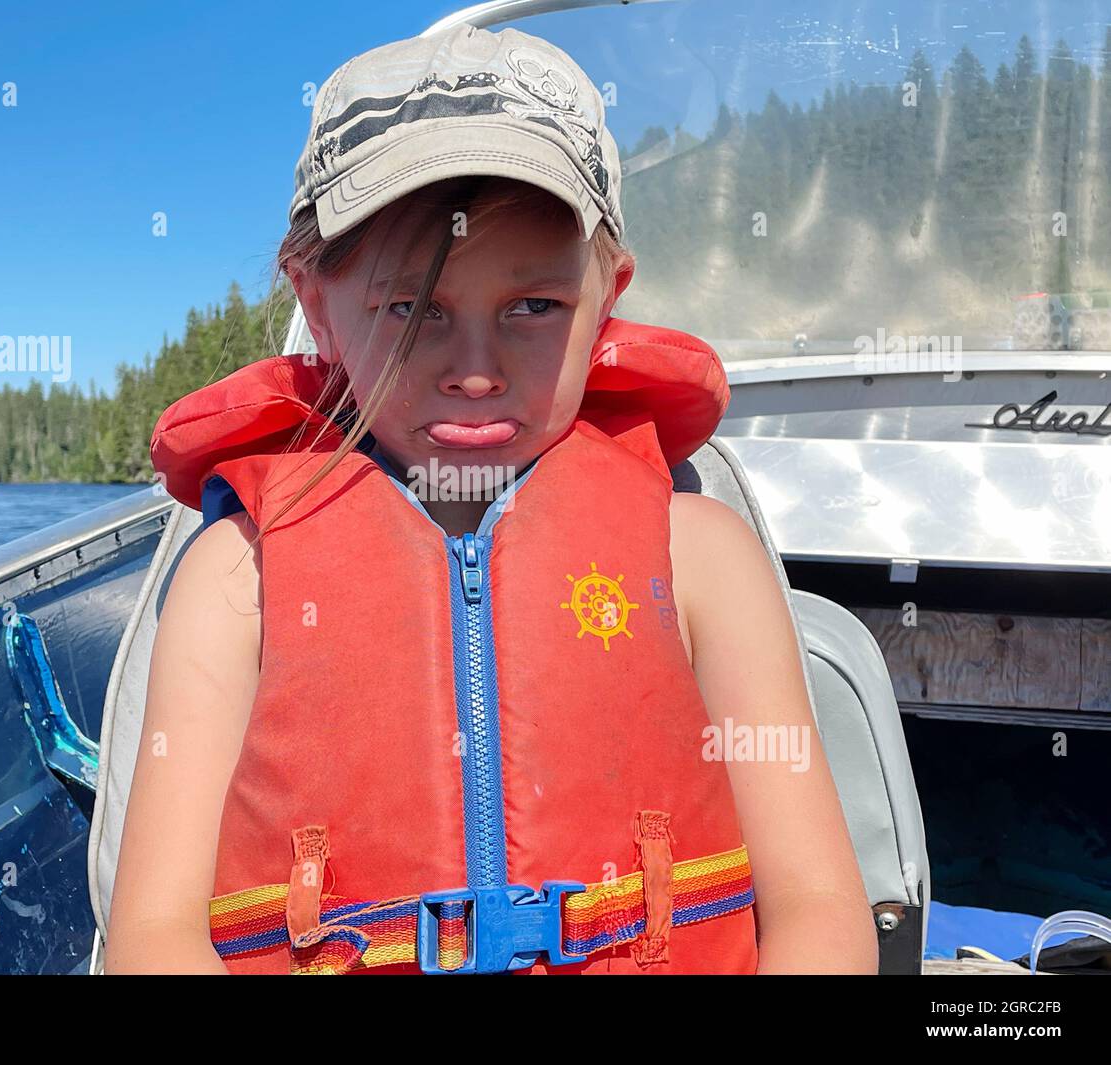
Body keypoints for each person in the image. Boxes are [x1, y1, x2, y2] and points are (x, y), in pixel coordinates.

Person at [104, 21, 876, 975]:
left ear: (608, 291)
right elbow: (153, 935)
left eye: (533, 307)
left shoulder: (702, 558)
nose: (474, 370)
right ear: (317, 304)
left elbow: (818, 907)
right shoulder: (238, 579)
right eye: (412, 310)